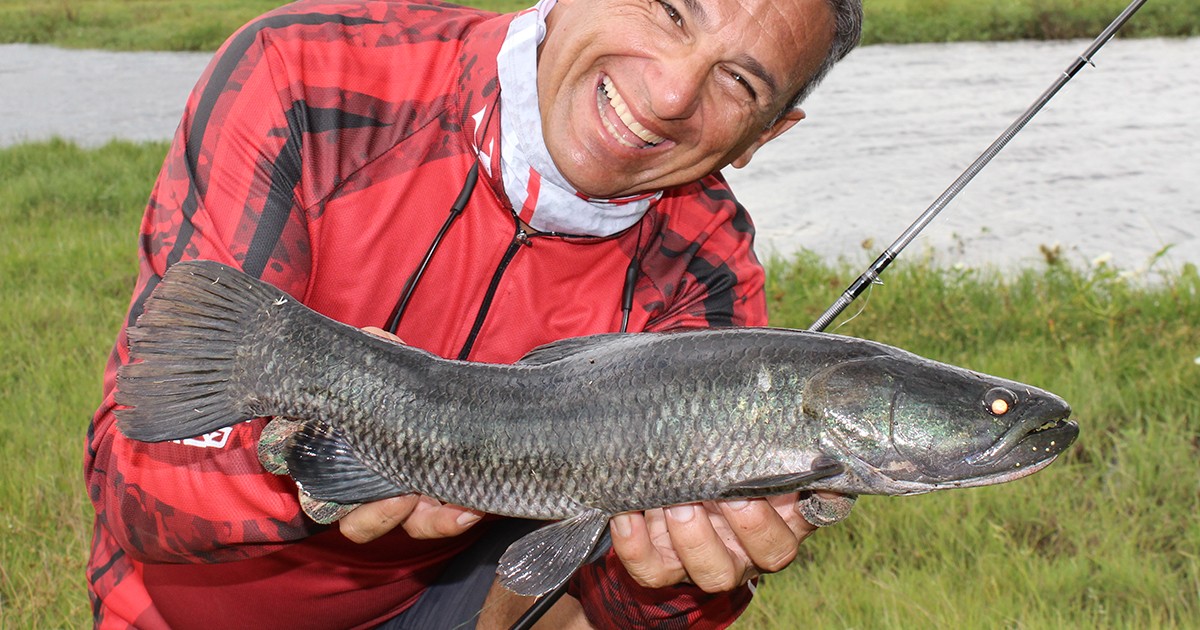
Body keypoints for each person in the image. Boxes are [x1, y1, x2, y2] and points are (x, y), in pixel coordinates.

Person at [85, 0, 862, 627]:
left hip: (443, 595)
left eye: (740, 83)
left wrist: (689, 576)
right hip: (176, 608)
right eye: (668, 10)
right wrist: (324, 466)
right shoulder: (305, 76)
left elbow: (627, 608)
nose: (670, 94)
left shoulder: (706, 270)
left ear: (765, 135)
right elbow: (135, 476)